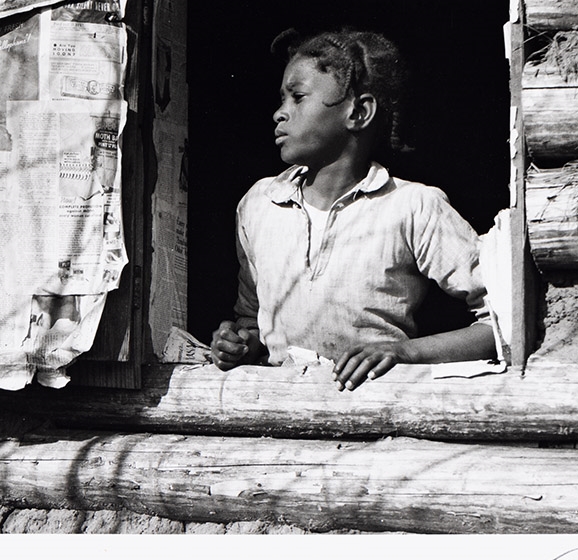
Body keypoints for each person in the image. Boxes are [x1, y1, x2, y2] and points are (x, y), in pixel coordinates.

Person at [209, 28, 498, 390]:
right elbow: (251, 319)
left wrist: (406, 352)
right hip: (280, 415)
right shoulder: (260, 204)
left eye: (297, 97)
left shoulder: (412, 207)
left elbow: (503, 322)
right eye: (281, 99)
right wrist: (239, 344)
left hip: (372, 415)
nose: (279, 114)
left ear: (359, 112)